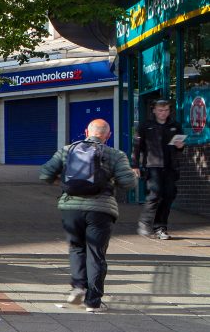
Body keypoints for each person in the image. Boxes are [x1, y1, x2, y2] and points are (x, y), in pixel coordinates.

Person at [37, 119, 138, 313]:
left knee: (76, 249)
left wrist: (65, 182)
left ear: (86, 132)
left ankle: (77, 291)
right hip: (101, 210)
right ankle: (93, 302)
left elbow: (45, 173)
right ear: (108, 136)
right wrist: (126, 177)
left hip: (71, 208)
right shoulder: (115, 154)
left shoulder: (67, 150)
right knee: (96, 254)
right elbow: (128, 183)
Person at [133, 99, 185, 240]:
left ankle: (160, 228)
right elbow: (137, 146)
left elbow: (179, 147)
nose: (163, 113)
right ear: (154, 110)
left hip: (170, 166)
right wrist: (135, 165)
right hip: (152, 165)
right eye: (160, 110)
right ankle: (145, 223)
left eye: (166, 110)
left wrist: (180, 146)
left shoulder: (174, 125)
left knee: (168, 195)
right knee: (155, 194)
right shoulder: (146, 126)